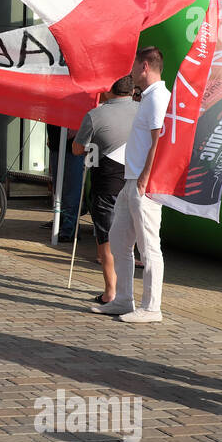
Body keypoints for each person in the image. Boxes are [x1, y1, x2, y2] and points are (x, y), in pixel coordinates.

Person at [92, 47, 170, 323]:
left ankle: (152, 308)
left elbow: (160, 140)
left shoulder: (159, 98)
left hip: (143, 184)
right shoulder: (148, 98)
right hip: (131, 179)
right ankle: (124, 299)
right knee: (118, 240)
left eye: (134, 66)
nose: (131, 72)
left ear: (145, 66)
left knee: (149, 246)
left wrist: (146, 179)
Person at [73, 76, 139, 306]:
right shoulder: (143, 111)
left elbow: (78, 148)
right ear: (132, 90)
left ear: (109, 89)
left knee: (107, 239)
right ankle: (130, 292)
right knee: (130, 238)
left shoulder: (95, 115)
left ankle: (111, 291)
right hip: (138, 181)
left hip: (107, 183)